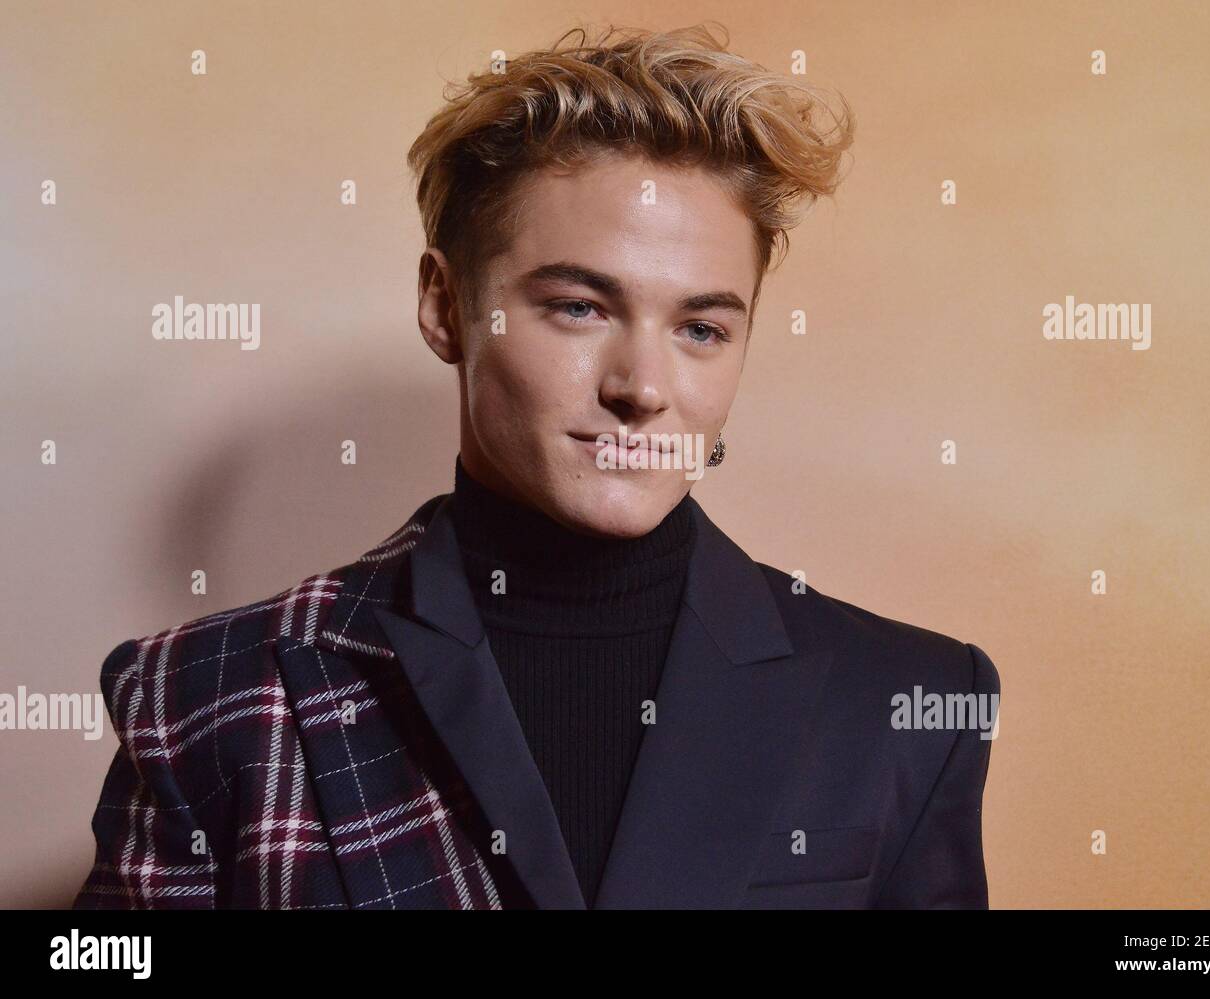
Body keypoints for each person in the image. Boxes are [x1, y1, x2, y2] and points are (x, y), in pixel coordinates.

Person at [73, 22, 999, 910]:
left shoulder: (899, 698)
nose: (644, 387)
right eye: (579, 308)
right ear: (444, 306)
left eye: (701, 328)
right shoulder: (212, 693)